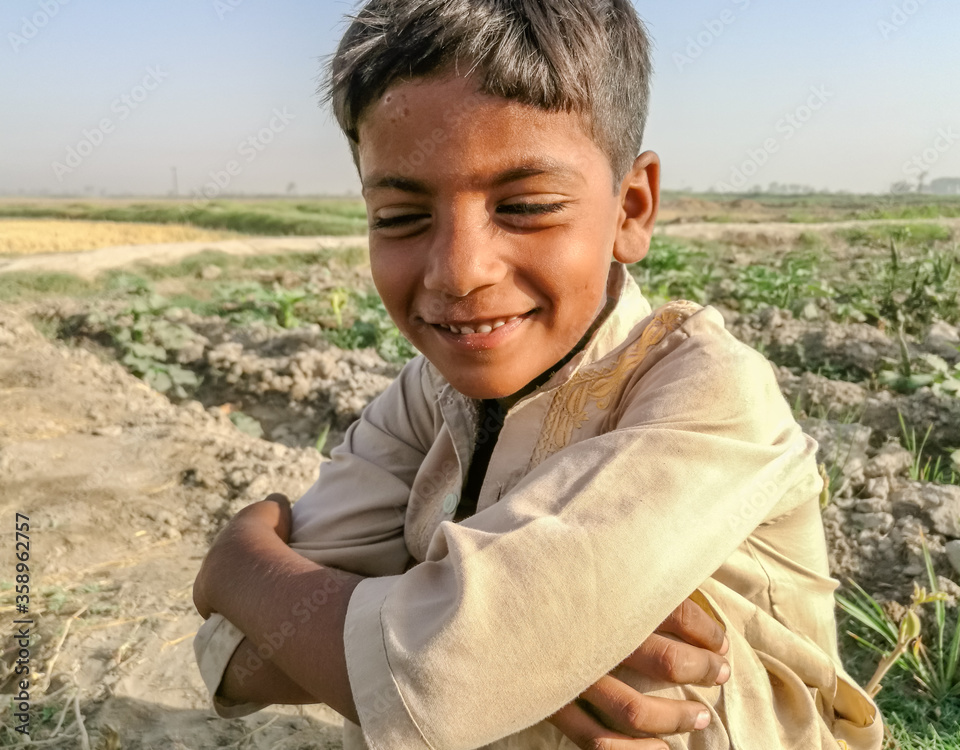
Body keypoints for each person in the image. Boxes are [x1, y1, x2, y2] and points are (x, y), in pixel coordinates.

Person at [193, 1, 885, 748]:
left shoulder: (707, 394)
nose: (460, 272)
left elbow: (442, 676)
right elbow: (235, 657)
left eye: (525, 206)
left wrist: (238, 564)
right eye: (399, 217)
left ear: (631, 207)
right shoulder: (425, 396)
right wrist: (513, 657)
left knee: (658, 672)